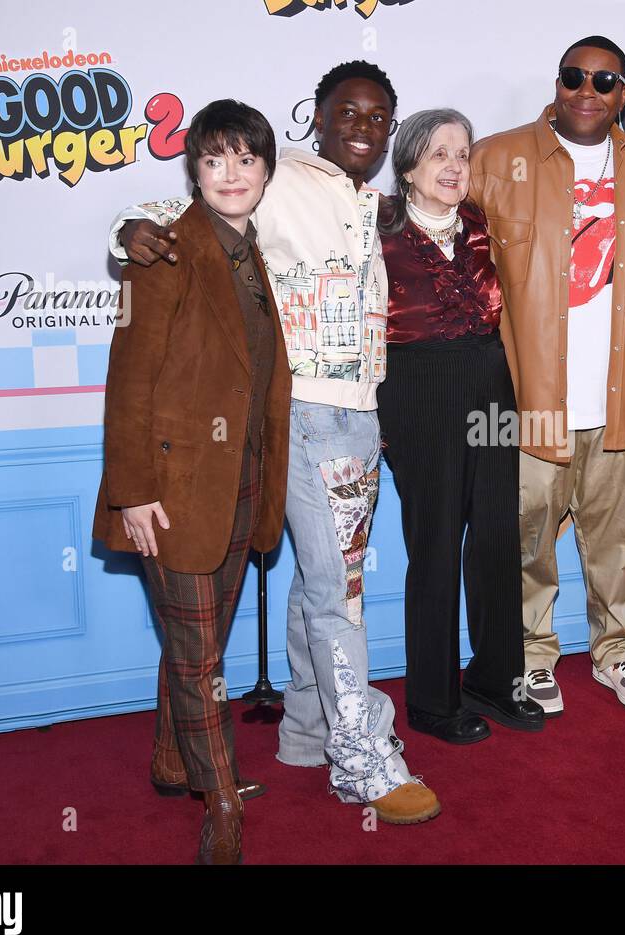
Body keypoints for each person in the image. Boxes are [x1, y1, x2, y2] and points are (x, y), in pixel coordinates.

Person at [108, 62, 439, 825]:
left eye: (377, 116)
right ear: (315, 120)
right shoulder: (280, 175)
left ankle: (304, 732)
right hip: (303, 418)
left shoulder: (372, 202)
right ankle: (363, 759)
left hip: (360, 419)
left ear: (391, 128)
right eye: (345, 112)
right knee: (338, 596)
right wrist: (125, 230)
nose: (362, 126)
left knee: (324, 582)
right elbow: (165, 219)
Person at [93, 99, 291, 863]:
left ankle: (172, 760)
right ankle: (223, 801)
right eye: (216, 159)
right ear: (194, 170)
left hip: (241, 483)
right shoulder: (163, 251)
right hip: (173, 491)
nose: (232, 173)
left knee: (191, 645)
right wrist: (134, 490)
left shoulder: (250, 249)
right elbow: (128, 380)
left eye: (247, 159)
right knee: (202, 659)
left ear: (268, 170)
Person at [469, 36, 625, 718]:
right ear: (557, 83)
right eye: (574, 76)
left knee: (619, 537)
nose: (589, 90)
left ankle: (616, 651)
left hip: (624, 395)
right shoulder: (495, 160)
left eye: (605, 80)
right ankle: (532, 654)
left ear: (624, 93)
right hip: (532, 399)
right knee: (528, 538)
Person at [376, 109, 541, 743]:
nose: (453, 166)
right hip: (417, 390)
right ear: (410, 165)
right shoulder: (376, 226)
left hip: (490, 386)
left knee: (499, 535)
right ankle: (433, 700)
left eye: (463, 154)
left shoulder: (481, 225)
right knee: (437, 545)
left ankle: (497, 678)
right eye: (438, 154)